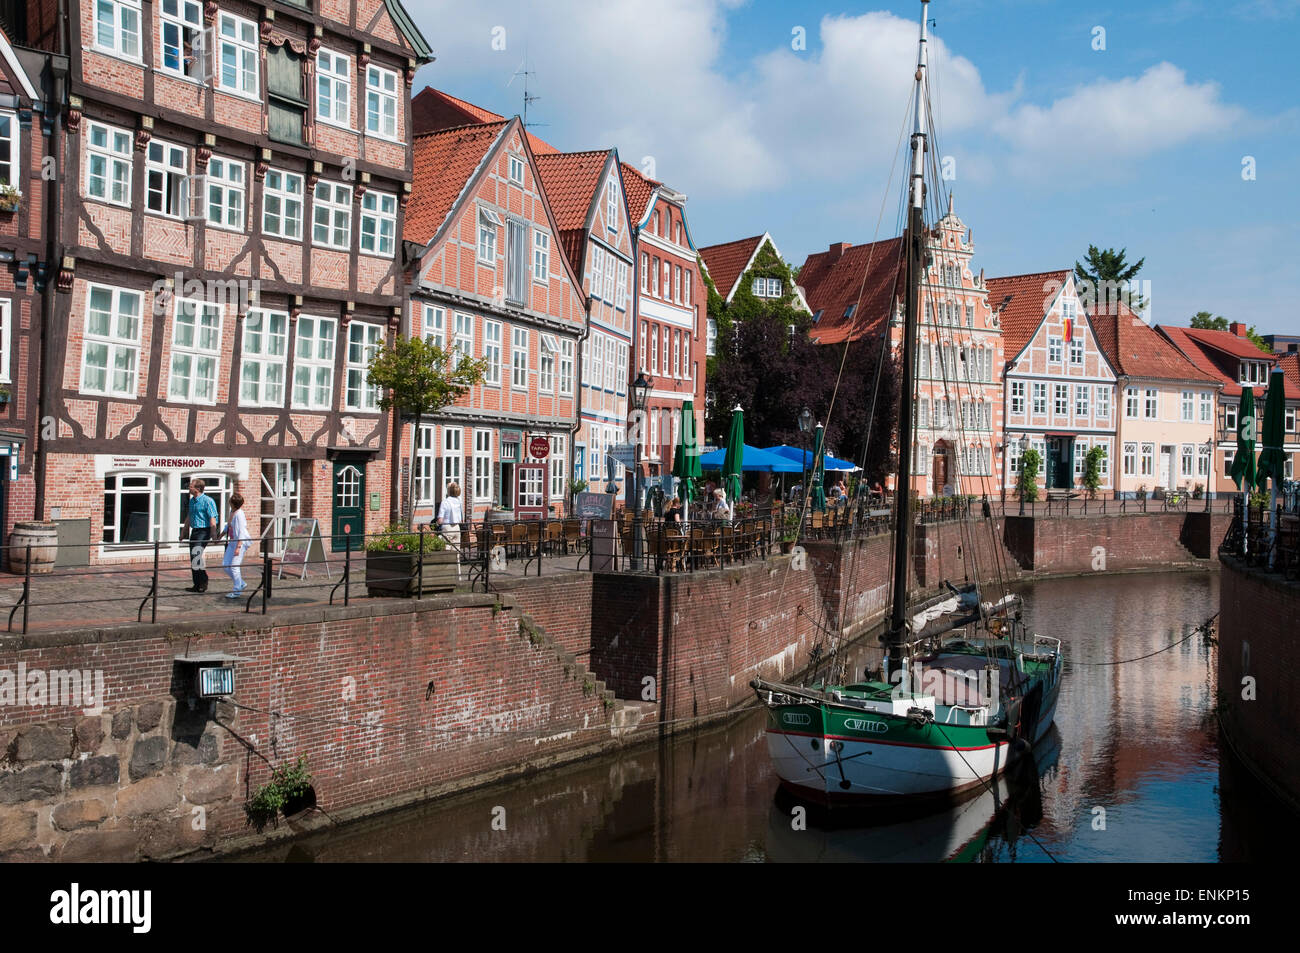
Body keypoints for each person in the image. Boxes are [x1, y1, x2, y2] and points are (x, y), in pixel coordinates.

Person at [185, 479, 218, 593]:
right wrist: (183, 531)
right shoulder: (192, 501)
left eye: (191, 486)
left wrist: (214, 535)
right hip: (195, 530)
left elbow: (212, 518)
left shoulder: (208, 501)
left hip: (204, 531)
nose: (189, 488)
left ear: (197, 489)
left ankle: (203, 581)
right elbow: (189, 516)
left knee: (197, 554)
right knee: (193, 556)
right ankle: (196, 584)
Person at [221, 492, 251, 599]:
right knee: (225, 565)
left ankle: (237, 591)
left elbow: (242, 531)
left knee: (234, 566)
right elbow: (228, 525)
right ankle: (241, 583)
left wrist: (239, 547)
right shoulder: (232, 512)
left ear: (233, 503)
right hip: (232, 541)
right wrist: (221, 535)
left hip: (240, 542)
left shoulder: (239, 514)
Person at [437, 482, 463, 551]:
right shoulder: (459, 501)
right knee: (457, 549)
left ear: (448, 491)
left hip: (447, 527)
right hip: (457, 527)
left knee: (447, 550)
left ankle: (448, 562)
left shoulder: (445, 502)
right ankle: (457, 562)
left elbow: (440, 520)